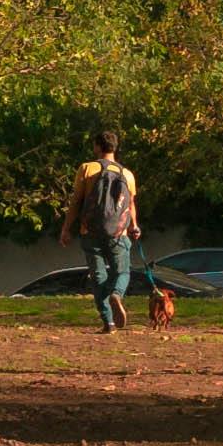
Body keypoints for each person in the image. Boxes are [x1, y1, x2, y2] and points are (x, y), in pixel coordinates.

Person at [60, 130, 141, 336]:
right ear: (115, 148)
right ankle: (116, 294)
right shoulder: (127, 174)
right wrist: (134, 226)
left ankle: (108, 323)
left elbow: (76, 201)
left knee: (98, 277)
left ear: (97, 146)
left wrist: (66, 229)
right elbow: (130, 204)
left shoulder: (87, 168)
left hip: (90, 232)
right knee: (122, 272)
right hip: (119, 234)